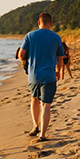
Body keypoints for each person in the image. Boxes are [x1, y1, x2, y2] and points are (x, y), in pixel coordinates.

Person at [18, 12, 65, 141]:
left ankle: (35, 126)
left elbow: (21, 54)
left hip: (34, 76)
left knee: (34, 100)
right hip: (49, 76)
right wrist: (58, 71)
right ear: (51, 23)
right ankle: (42, 135)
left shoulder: (30, 35)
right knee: (46, 105)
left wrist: (27, 64)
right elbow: (60, 58)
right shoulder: (56, 37)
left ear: (39, 22)